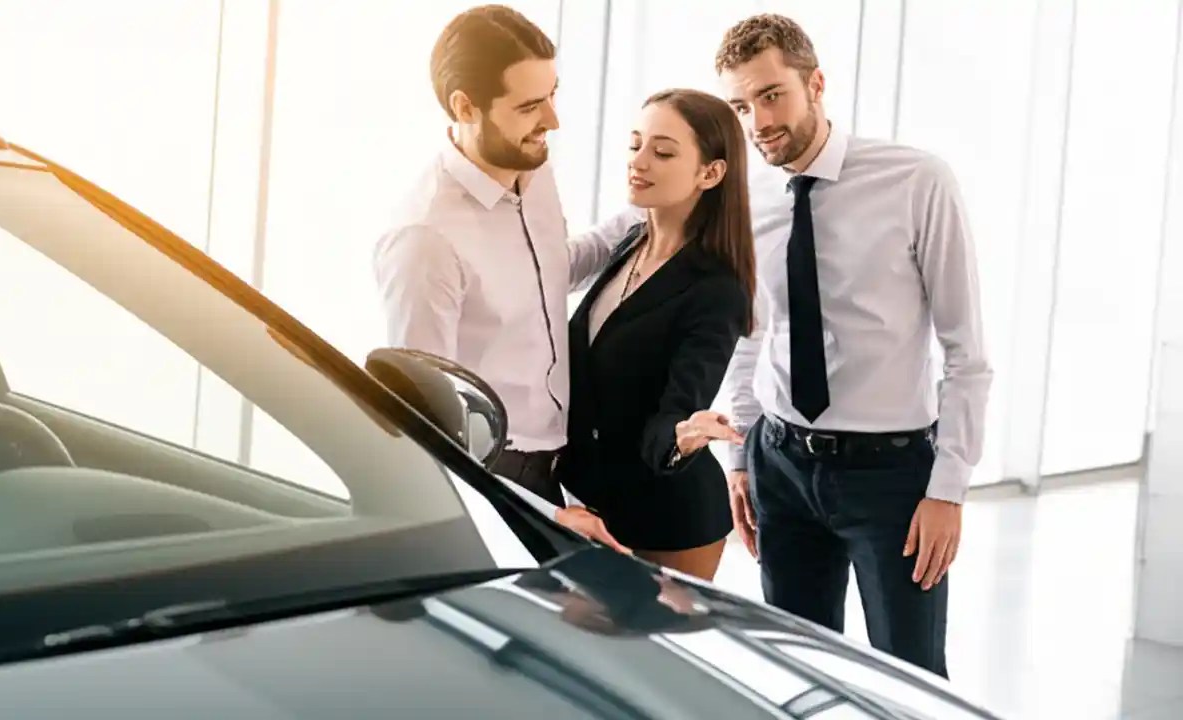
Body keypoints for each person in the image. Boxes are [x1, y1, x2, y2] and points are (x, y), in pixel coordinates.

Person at [708, 14, 993, 677]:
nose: (758, 121)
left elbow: (967, 352)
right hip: (778, 465)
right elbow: (754, 333)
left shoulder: (917, 181)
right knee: (799, 674)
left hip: (890, 480)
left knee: (911, 676)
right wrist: (740, 455)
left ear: (816, 84)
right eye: (741, 105)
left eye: (772, 95)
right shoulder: (751, 201)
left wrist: (947, 490)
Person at [372, 5, 654, 550]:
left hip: (559, 464)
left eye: (553, 94)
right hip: (493, 479)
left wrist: (650, 213)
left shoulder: (533, 167)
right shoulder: (425, 238)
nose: (553, 120)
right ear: (465, 106)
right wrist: (536, 510)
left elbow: (548, 273)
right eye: (529, 105)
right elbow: (424, 424)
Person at [557, 89, 754, 582]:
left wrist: (683, 437)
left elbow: (676, 408)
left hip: (668, 515)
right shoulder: (629, 243)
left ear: (710, 173)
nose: (638, 162)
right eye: (635, 144)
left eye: (663, 152)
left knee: (653, 652)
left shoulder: (717, 290)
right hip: (591, 500)